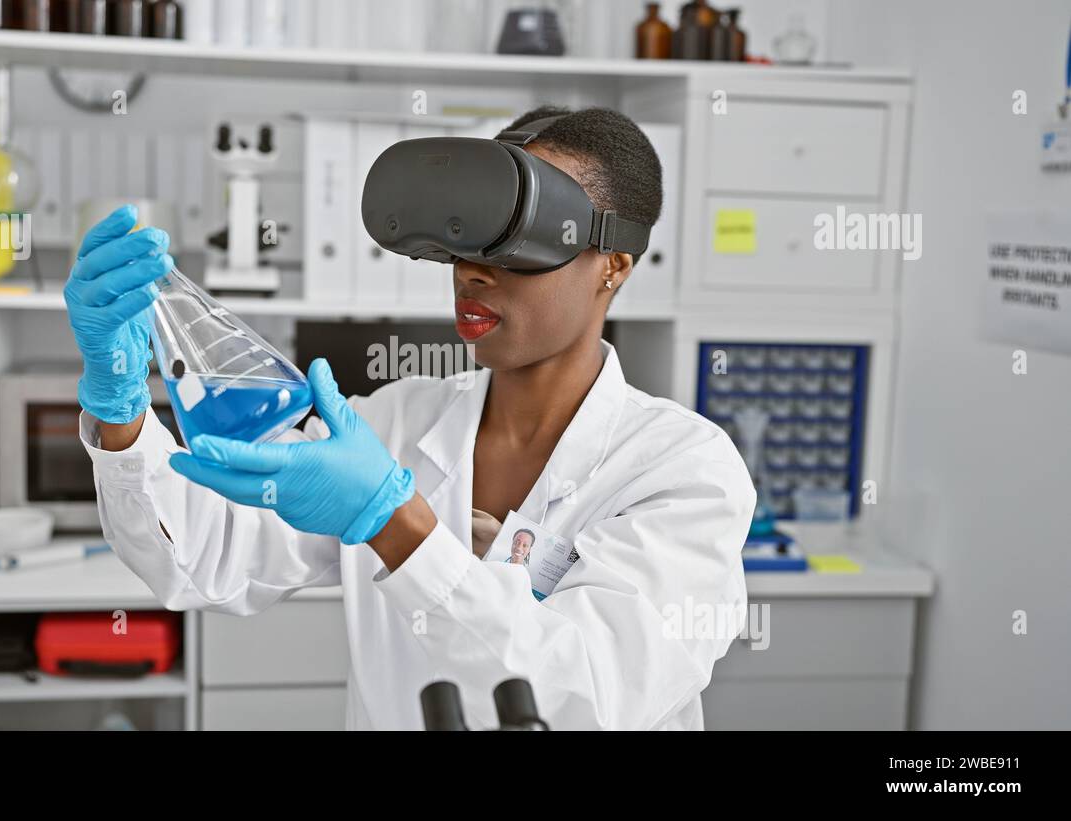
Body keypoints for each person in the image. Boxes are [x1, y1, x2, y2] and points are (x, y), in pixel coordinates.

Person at [64, 106, 755, 730]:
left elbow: (586, 696)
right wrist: (122, 410)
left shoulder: (685, 471)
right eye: (469, 238)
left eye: (518, 242)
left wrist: (393, 520)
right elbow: (202, 555)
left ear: (614, 265)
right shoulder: (392, 423)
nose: (474, 272)